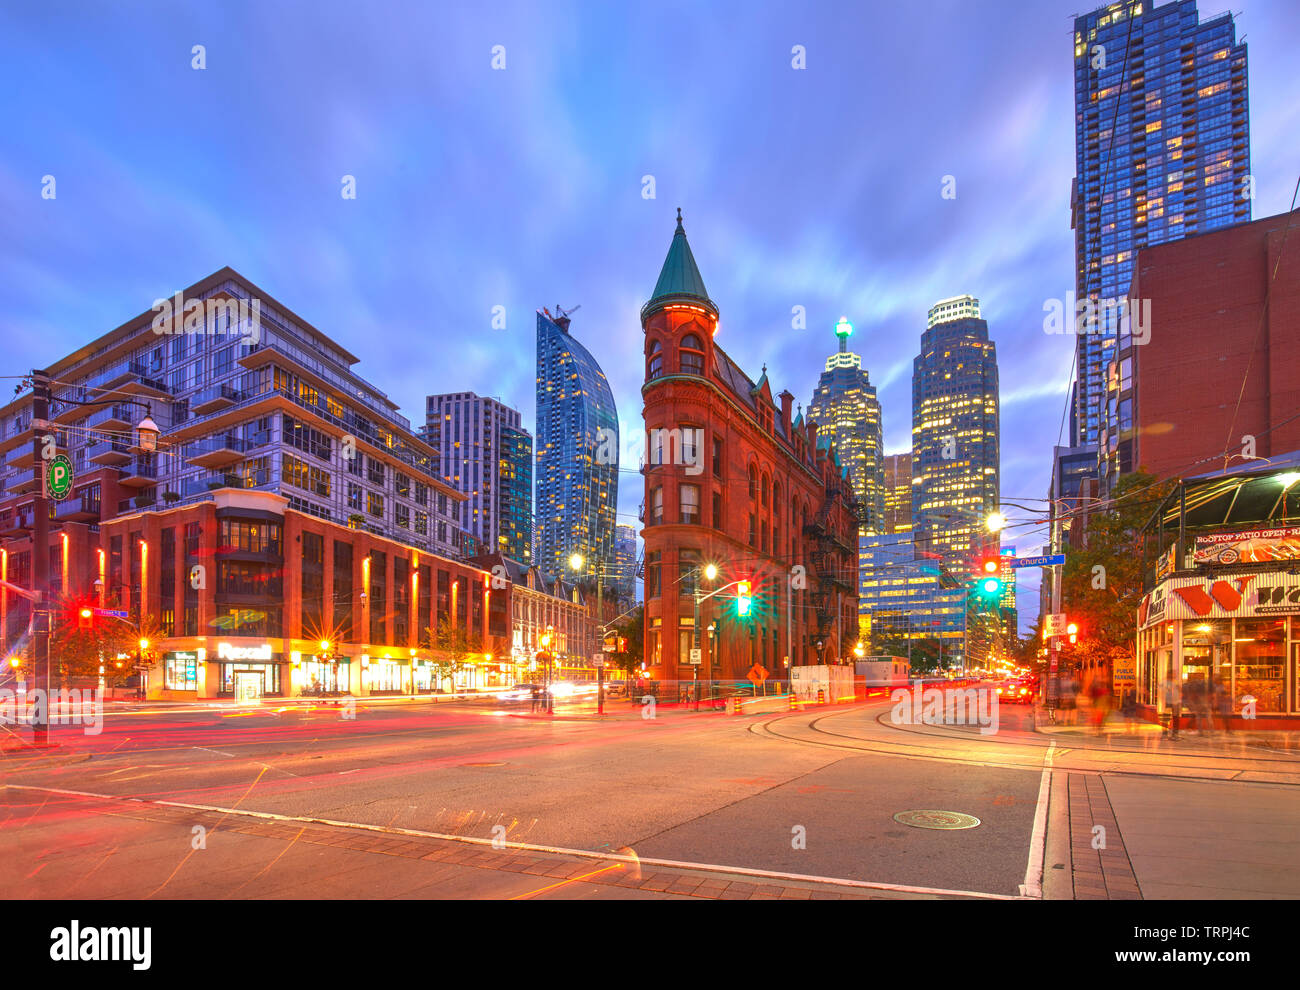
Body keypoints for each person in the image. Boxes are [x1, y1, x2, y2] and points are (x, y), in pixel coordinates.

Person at [1160, 672, 1182, 740]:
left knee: (1173, 718)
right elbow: (1161, 692)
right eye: (1172, 674)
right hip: (1169, 702)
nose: (1174, 676)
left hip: (1175, 702)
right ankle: (1167, 734)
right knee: (1167, 718)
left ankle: (1172, 734)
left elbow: (1180, 691)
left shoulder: (1175, 682)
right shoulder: (1164, 682)